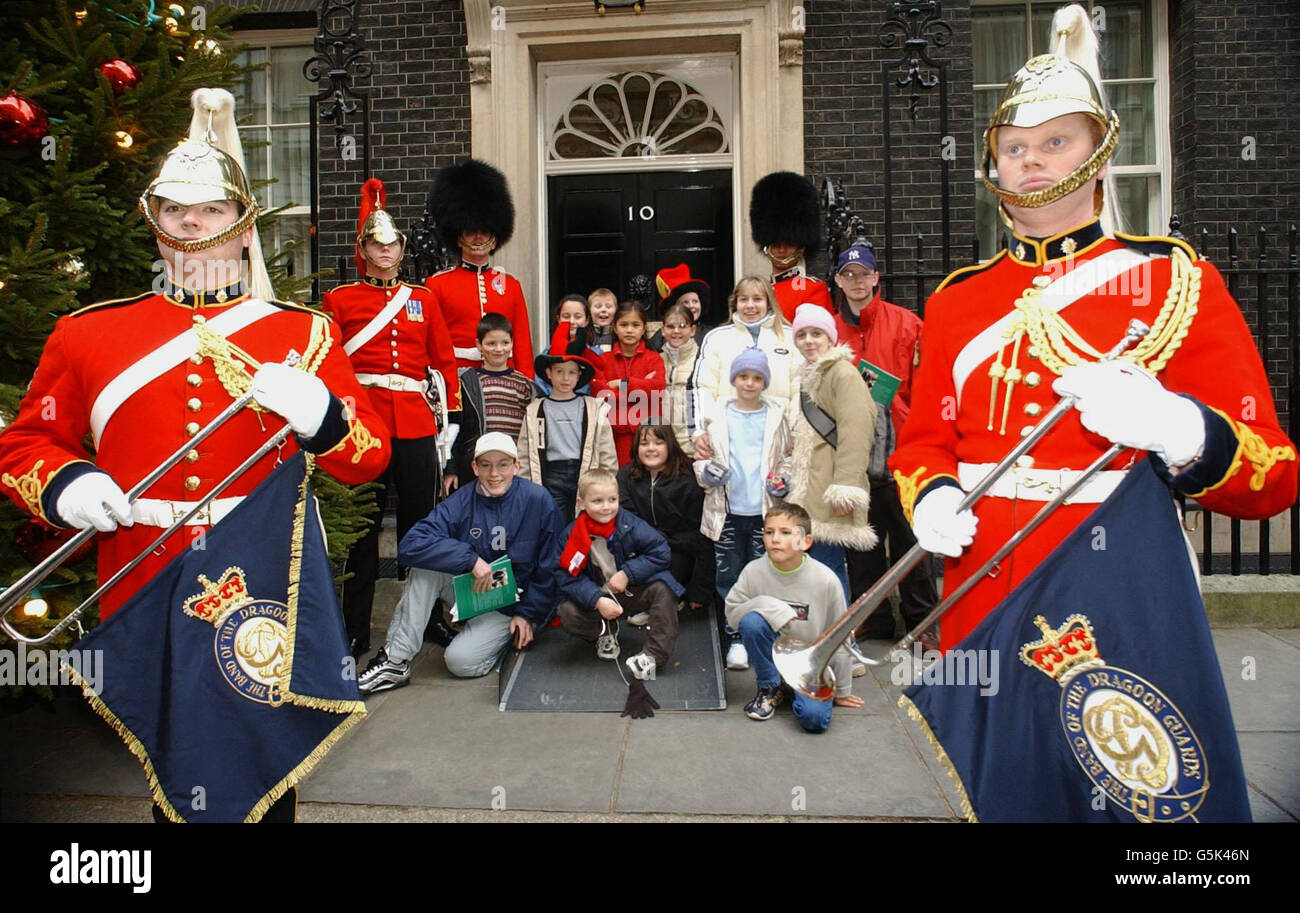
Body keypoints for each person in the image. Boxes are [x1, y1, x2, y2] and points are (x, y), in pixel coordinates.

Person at [0, 88, 390, 823]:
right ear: (155, 227)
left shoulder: (302, 335)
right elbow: (26, 442)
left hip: (261, 574)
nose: (191, 224)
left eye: (210, 210)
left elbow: (368, 458)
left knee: (263, 756)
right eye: (175, 210)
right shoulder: (87, 333)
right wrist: (68, 484)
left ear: (242, 228)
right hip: (143, 568)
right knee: (174, 768)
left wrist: (321, 417)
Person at [890, 4, 1298, 653]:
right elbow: (922, 445)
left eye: (1058, 142)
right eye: (1015, 147)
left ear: (1101, 154)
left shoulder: (1174, 282)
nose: (1032, 161)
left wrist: (1180, 428)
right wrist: (934, 494)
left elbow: (1273, 475)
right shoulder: (955, 302)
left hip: (1121, 586)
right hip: (985, 589)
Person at [322, 178, 459, 658]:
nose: (386, 251)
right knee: (363, 532)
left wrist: (452, 421)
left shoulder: (423, 297)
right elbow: (332, 362)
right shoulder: (341, 299)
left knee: (423, 528)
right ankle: (355, 627)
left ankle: (429, 620)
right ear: (364, 249)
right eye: (377, 244)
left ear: (401, 248)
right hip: (366, 425)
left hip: (417, 423)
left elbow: (443, 361)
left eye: (393, 243)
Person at [358, 432, 563, 689]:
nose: (494, 473)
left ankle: (495, 642)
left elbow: (551, 567)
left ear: (517, 466)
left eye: (503, 464)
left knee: (460, 662)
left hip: (510, 604)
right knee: (425, 567)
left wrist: (528, 615)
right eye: (485, 465)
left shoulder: (538, 500)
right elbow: (411, 545)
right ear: (474, 468)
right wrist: (470, 559)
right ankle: (395, 660)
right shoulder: (462, 501)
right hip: (472, 590)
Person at [830, 242, 940, 645]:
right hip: (854, 456)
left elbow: (928, 385)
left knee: (912, 545)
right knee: (862, 545)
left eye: (863, 275)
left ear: (876, 278)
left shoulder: (907, 323)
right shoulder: (829, 330)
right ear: (839, 281)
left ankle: (923, 626)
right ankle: (873, 620)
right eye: (848, 275)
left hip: (903, 450)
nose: (856, 282)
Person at [695, 347, 792, 670]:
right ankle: (735, 638)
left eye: (756, 378)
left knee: (764, 578)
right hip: (727, 513)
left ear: (764, 382)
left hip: (766, 513)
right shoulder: (717, 416)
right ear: (733, 379)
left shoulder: (777, 416)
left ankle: (762, 638)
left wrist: (784, 480)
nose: (749, 383)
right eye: (743, 376)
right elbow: (702, 459)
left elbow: (789, 458)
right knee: (729, 579)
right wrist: (707, 473)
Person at [725, 502, 864, 730]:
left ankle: (792, 690)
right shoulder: (754, 571)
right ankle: (770, 687)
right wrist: (767, 605)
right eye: (769, 532)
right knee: (752, 620)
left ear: (806, 541)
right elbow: (733, 614)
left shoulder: (826, 580)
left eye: (785, 532)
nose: (775, 539)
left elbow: (841, 636)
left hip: (811, 664)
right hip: (774, 657)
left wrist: (842, 690)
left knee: (814, 721)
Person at [786, 303, 877, 603]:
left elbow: (857, 431)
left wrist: (845, 488)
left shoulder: (842, 374)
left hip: (829, 489)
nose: (809, 341)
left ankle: (839, 640)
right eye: (802, 335)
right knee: (813, 571)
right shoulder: (813, 374)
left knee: (828, 570)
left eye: (816, 334)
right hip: (812, 487)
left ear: (830, 338)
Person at [556, 468, 683, 681]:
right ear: (581, 503)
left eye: (612, 499)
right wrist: (596, 600)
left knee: (664, 588)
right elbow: (565, 576)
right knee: (566, 610)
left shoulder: (630, 524)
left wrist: (627, 573)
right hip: (598, 596)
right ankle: (604, 632)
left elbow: (661, 551)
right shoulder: (570, 535)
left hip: (630, 591)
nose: (606, 507)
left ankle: (653, 655)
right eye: (597, 501)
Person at [423, 159, 534, 380]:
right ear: (459, 238)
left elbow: (521, 341)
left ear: (494, 240)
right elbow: (433, 339)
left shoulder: (510, 285)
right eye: (470, 231)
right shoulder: (438, 284)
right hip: (459, 376)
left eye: (484, 231)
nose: (478, 237)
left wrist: (526, 381)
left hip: (505, 376)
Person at [518, 322, 617, 522]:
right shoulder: (535, 409)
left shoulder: (593, 408)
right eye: (559, 372)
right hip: (550, 475)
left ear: (579, 375)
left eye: (571, 372)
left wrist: (606, 480)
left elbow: (607, 451)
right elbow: (524, 453)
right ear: (548, 373)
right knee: (554, 523)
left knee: (583, 524)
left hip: (585, 473)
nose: (565, 378)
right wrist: (526, 486)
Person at [691, 276, 801, 453]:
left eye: (757, 299)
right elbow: (703, 387)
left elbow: (800, 389)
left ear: (769, 302)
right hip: (728, 440)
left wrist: (796, 432)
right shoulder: (717, 338)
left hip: (779, 441)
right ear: (735, 303)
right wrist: (701, 430)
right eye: (743, 299)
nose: (750, 305)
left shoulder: (791, 337)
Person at [617, 424, 714, 613]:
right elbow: (627, 520)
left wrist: (700, 592)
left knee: (664, 574)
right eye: (644, 443)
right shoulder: (625, 475)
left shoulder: (689, 477)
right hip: (641, 550)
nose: (651, 448)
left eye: (658, 442)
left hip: (678, 551)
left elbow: (702, 537)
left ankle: (667, 601)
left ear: (670, 445)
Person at [446, 313, 533, 495]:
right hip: (477, 465)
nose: (498, 349)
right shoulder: (466, 382)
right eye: (491, 344)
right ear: (479, 345)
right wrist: (451, 468)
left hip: (512, 464)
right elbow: (455, 429)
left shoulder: (525, 384)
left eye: (505, 343)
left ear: (512, 344)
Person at [749, 171, 835, 322]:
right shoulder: (757, 290)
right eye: (775, 244)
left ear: (801, 247)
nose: (781, 250)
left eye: (789, 244)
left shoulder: (812, 289)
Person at [595, 300, 665, 465]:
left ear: (643, 329)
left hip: (649, 437)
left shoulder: (653, 358)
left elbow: (658, 391)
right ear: (615, 328)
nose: (629, 330)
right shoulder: (603, 360)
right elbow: (603, 396)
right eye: (624, 325)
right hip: (614, 437)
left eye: (635, 325)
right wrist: (642, 389)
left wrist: (622, 383)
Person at [655, 303, 702, 457]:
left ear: (692, 330)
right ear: (663, 330)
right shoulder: (655, 361)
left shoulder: (703, 360)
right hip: (663, 448)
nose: (676, 331)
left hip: (694, 448)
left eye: (682, 326)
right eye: (670, 326)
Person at [534, 294, 603, 396]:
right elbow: (541, 386)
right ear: (558, 319)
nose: (572, 321)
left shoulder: (597, 354)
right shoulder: (547, 354)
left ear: (587, 320)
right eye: (566, 316)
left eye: (578, 317)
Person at [648, 263, 711, 351]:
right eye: (685, 302)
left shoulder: (711, 335)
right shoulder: (660, 337)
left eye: (695, 301)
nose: (691, 306)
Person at [587, 287, 617, 353]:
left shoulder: (619, 336)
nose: (603, 310)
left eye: (608, 306)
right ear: (589, 311)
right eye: (598, 306)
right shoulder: (585, 336)